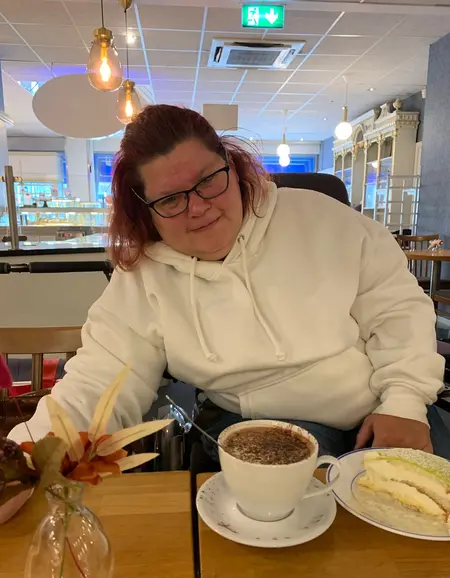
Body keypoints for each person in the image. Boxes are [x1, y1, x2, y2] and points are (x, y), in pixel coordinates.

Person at [9, 105, 449, 461]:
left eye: (208, 181)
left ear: (233, 169)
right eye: (171, 199)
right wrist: (24, 456)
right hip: (261, 429)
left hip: (385, 405)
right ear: (144, 210)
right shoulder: (143, 277)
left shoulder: (326, 220)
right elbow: (100, 380)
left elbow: (397, 311)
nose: (198, 207)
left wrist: (405, 402)